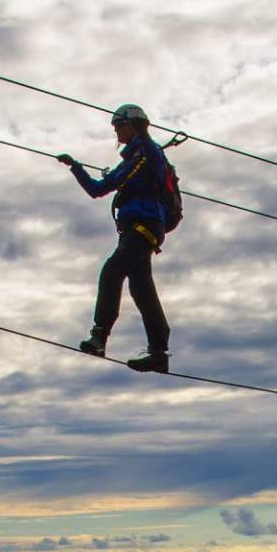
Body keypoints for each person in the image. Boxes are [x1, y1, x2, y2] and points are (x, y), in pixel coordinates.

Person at [57, 103, 172, 374]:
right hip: (133, 230)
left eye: (119, 124)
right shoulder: (128, 163)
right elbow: (97, 190)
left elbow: (155, 160)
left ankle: (99, 336)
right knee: (141, 290)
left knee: (112, 271)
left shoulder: (150, 152)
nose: (115, 130)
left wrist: (144, 133)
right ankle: (159, 353)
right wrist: (75, 167)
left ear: (133, 124)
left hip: (145, 226)